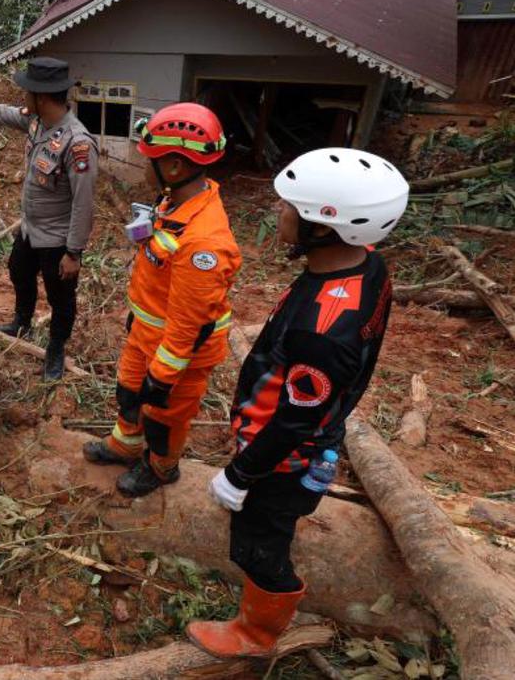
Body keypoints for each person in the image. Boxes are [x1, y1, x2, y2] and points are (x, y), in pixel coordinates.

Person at [186, 148, 408, 657]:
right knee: (272, 520)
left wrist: (241, 474)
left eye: (290, 207)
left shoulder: (323, 332)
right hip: (313, 431)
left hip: (284, 456)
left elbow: (294, 420)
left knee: (257, 541)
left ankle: (256, 633)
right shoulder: (367, 267)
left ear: (326, 227)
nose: (278, 213)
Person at [81, 103, 240, 497]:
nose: (141, 164)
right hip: (148, 333)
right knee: (129, 392)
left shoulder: (204, 244)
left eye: (148, 159)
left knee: (163, 415)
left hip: (179, 352)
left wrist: (164, 375)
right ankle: (124, 445)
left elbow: (190, 323)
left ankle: (161, 467)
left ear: (173, 167)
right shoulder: (176, 202)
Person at [0, 57, 99, 381]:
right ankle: (21, 322)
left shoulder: (77, 144)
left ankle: (55, 349)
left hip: (57, 240)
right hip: (30, 229)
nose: (21, 98)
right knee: (18, 270)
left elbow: (84, 204)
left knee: (60, 298)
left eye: (26, 92)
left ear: (40, 97)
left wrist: (74, 253)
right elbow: (3, 113)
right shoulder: (37, 122)